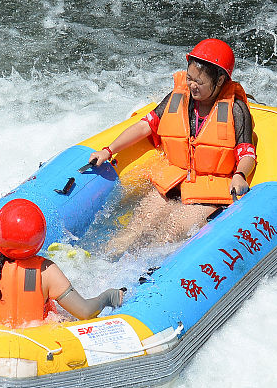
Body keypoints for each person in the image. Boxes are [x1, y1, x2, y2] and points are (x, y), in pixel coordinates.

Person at [88, 38, 257, 253]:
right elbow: (144, 127)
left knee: (167, 235)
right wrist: (108, 150)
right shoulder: (178, 98)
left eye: (200, 82)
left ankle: (138, 282)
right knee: (134, 229)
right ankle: (96, 264)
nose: (192, 85)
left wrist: (240, 175)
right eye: (189, 78)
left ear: (220, 80)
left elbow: (246, 153)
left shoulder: (236, 110)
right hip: (173, 182)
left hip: (207, 192)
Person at [0, 198, 125, 326]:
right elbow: (85, 312)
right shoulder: (46, 271)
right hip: (32, 345)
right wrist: (108, 297)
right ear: (38, 239)